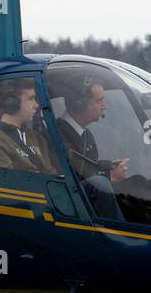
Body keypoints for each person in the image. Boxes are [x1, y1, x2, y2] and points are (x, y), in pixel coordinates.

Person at [54, 72, 127, 220]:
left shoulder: (87, 136)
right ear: (79, 104)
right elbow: (73, 177)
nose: (104, 105)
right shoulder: (56, 134)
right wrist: (109, 176)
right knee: (102, 184)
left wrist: (108, 168)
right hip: (73, 210)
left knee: (144, 183)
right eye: (99, 101)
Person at [0, 80, 56, 174]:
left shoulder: (35, 137)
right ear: (12, 103)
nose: (36, 105)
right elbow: (5, 181)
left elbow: (52, 173)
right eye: (31, 99)